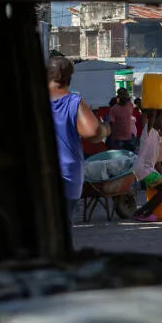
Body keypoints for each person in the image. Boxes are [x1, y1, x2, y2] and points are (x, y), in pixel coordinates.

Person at [47, 56, 110, 234]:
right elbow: (93, 133)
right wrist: (106, 129)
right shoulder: (73, 101)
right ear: (69, 78)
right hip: (67, 176)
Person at [131, 109, 162, 223]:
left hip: (147, 169)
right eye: (161, 119)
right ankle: (145, 213)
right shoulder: (148, 131)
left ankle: (140, 212)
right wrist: (155, 108)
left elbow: (156, 160)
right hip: (142, 168)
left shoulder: (157, 135)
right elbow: (152, 118)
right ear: (154, 120)